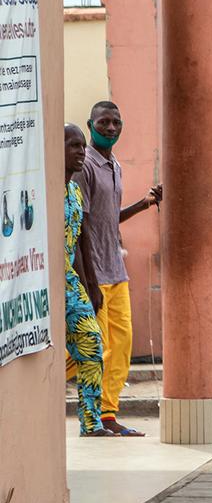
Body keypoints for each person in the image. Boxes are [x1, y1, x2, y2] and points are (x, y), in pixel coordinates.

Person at [79, 100, 161, 437]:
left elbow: (109, 219)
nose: (110, 129)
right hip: (94, 274)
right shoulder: (83, 164)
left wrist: (144, 204)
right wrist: (90, 279)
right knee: (97, 348)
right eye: (103, 123)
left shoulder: (114, 166)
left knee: (122, 344)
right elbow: (80, 224)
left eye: (115, 123)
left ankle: (108, 414)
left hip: (116, 269)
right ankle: (91, 418)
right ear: (90, 124)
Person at [63, 124, 111, 437]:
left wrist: (90, 284)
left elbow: (81, 240)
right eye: (73, 146)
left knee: (92, 343)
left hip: (70, 280)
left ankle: (92, 423)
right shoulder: (42, 189)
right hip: (44, 280)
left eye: (82, 146)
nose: (81, 152)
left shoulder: (74, 191)